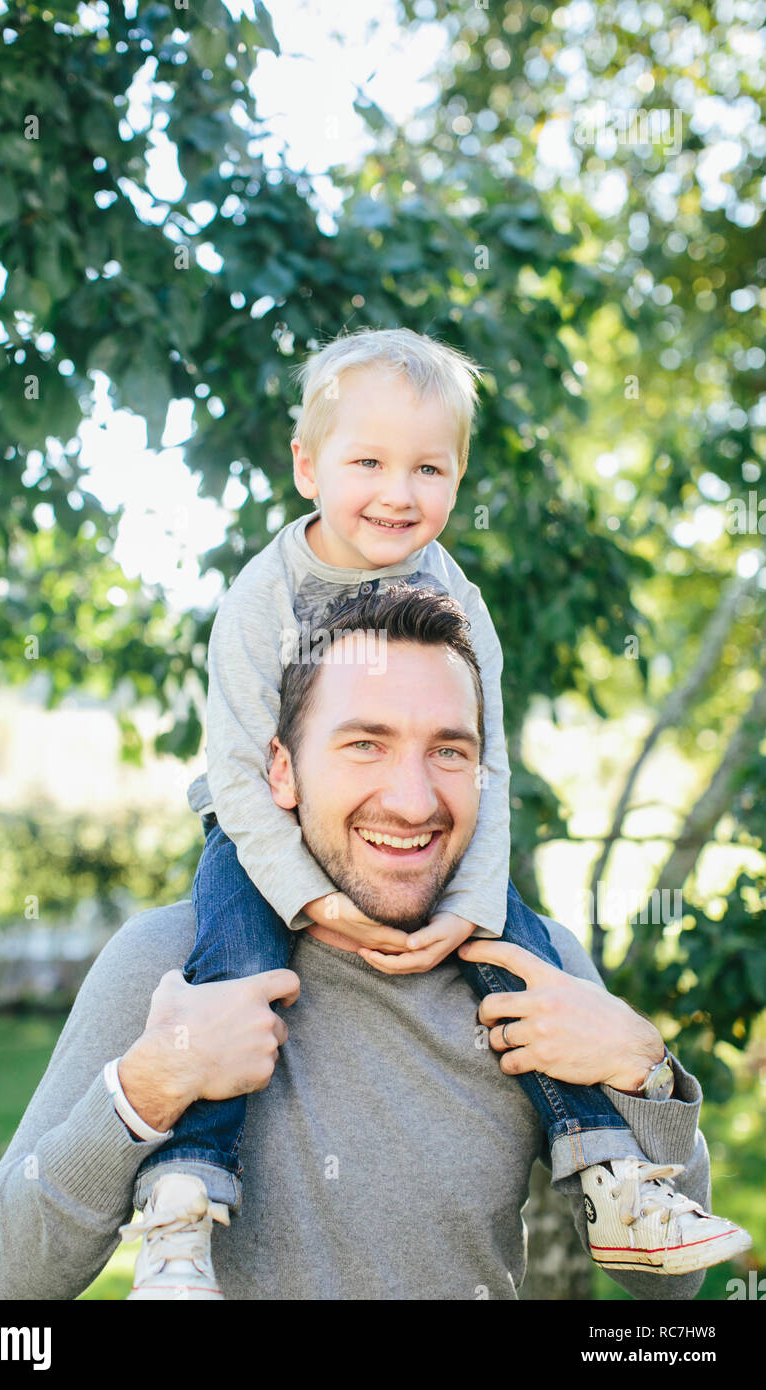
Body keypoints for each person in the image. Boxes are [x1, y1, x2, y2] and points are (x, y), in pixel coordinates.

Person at [116, 328, 749, 1297]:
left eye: (430, 467)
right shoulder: (263, 596)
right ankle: (181, 1208)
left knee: (521, 961)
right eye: (366, 461)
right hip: (255, 839)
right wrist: (315, 907)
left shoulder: (456, 593)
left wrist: (469, 904)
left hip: (450, 870)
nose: (397, 492)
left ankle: (611, 1171)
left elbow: (483, 767)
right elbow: (239, 776)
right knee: (235, 970)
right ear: (306, 466)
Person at [0, 588, 747, 1301]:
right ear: (282, 770)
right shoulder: (172, 963)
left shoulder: (535, 969)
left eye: (449, 751)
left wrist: (644, 1069)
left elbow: (672, 1293)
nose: (412, 802)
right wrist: (144, 1090)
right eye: (364, 745)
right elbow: (2, 1286)